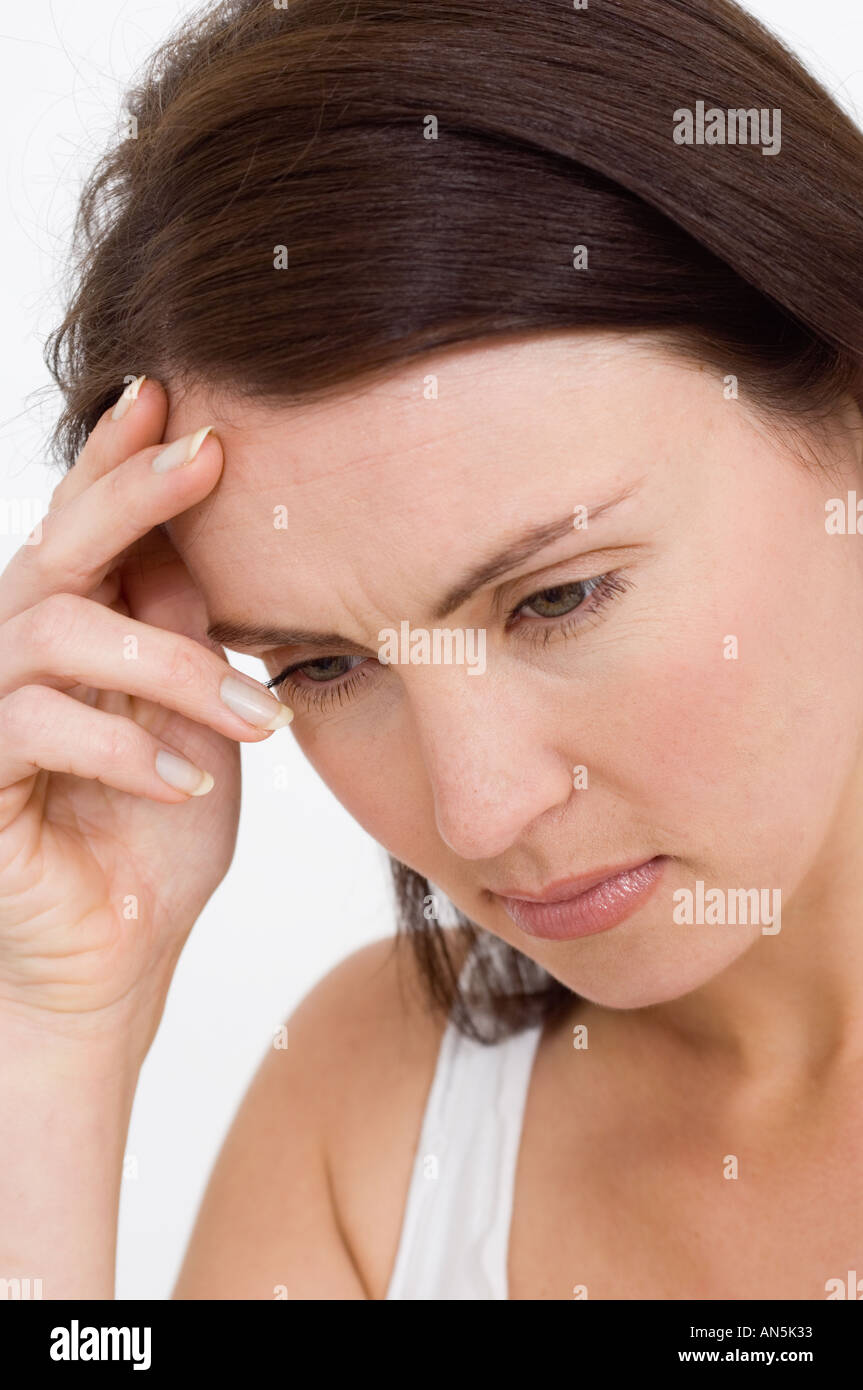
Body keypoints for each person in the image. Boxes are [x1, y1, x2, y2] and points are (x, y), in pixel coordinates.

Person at [2, 0, 862, 1300]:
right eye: (324, 666)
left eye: (559, 597)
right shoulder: (371, 1124)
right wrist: (59, 1029)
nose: (479, 809)